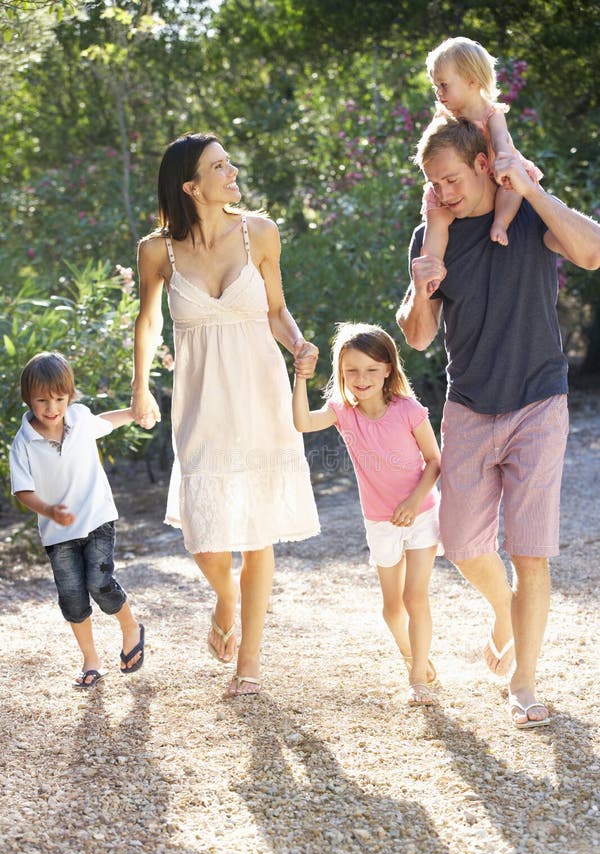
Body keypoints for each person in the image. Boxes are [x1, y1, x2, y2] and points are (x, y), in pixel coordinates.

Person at [397, 114, 600, 727]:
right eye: (433, 183)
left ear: (483, 165)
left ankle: (525, 683)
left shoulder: (528, 213)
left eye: (451, 179)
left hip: (539, 399)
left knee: (530, 552)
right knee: (460, 543)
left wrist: (533, 188)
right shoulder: (430, 236)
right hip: (468, 406)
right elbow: (420, 338)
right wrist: (420, 285)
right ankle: (505, 613)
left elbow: (591, 253)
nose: (442, 193)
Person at [132, 132, 320, 698]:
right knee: (202, 532)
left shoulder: (259, 232)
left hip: (261, 396)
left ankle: (250, 666)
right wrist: (141, 389)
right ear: (191, 186)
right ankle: (227, 597)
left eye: (229, 161)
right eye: (220, 166)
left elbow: (278, 310)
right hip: (200, 404)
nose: (233, 170)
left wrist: (300, 347)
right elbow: (146, 324)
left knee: (257, 532)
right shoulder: (156, 251)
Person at [293, 322, 442, 705]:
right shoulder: (343, 411)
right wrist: (299, 377)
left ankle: (418, 680)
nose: (362, 379)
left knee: (415, 598)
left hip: (422, 512)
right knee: (391, 609)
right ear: (341, 373)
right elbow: (302, 423)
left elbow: (435, 461)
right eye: (352, 371)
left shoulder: (408, 410)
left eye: (372, 370)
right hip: (380, 522)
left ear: (389, 369)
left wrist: (412, 502)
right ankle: (414, 657)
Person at [9, 351, 145, 689]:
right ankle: (91, 660)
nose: (52, 408)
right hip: (58, 532)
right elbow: (21, 490)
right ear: (28, 399)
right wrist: (49, 510)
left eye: (59, 398)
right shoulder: (23, 443)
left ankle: (131, 628)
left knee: (100, 584)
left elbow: (106, 422)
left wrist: (133, 412)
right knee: (72, 596)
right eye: (42, 400)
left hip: (97, 518)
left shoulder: (81, 418)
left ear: (69, 396)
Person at [421, 37, 543, 291]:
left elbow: (500, 142)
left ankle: (501, 222)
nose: (439, 93)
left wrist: (502, 160)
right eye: (436, 87)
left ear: (472, 80)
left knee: (513, 184)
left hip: (496, 168)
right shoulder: (444, 116)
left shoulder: (491, 114)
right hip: (467, 174)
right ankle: (431, 267)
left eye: (444, 85)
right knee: (436, 215)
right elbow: (432, 145)